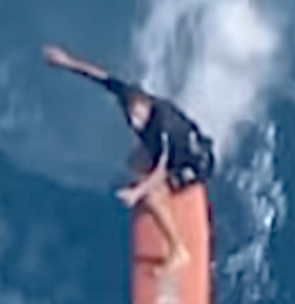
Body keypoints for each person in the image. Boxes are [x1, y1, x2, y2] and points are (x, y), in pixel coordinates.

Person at [43, 42, 215, 274]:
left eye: (138, 117)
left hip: (195, 164)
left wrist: (138, 193)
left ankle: (178, 250)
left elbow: (160, 170)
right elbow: (100, 76)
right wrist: (66, 61)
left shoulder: (163, 126)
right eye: (131, 116)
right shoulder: (129, 95)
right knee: (134, 162)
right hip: (172, 152)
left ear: (147, 108)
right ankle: (164, 203)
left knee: (151, 195)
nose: (134, 122)